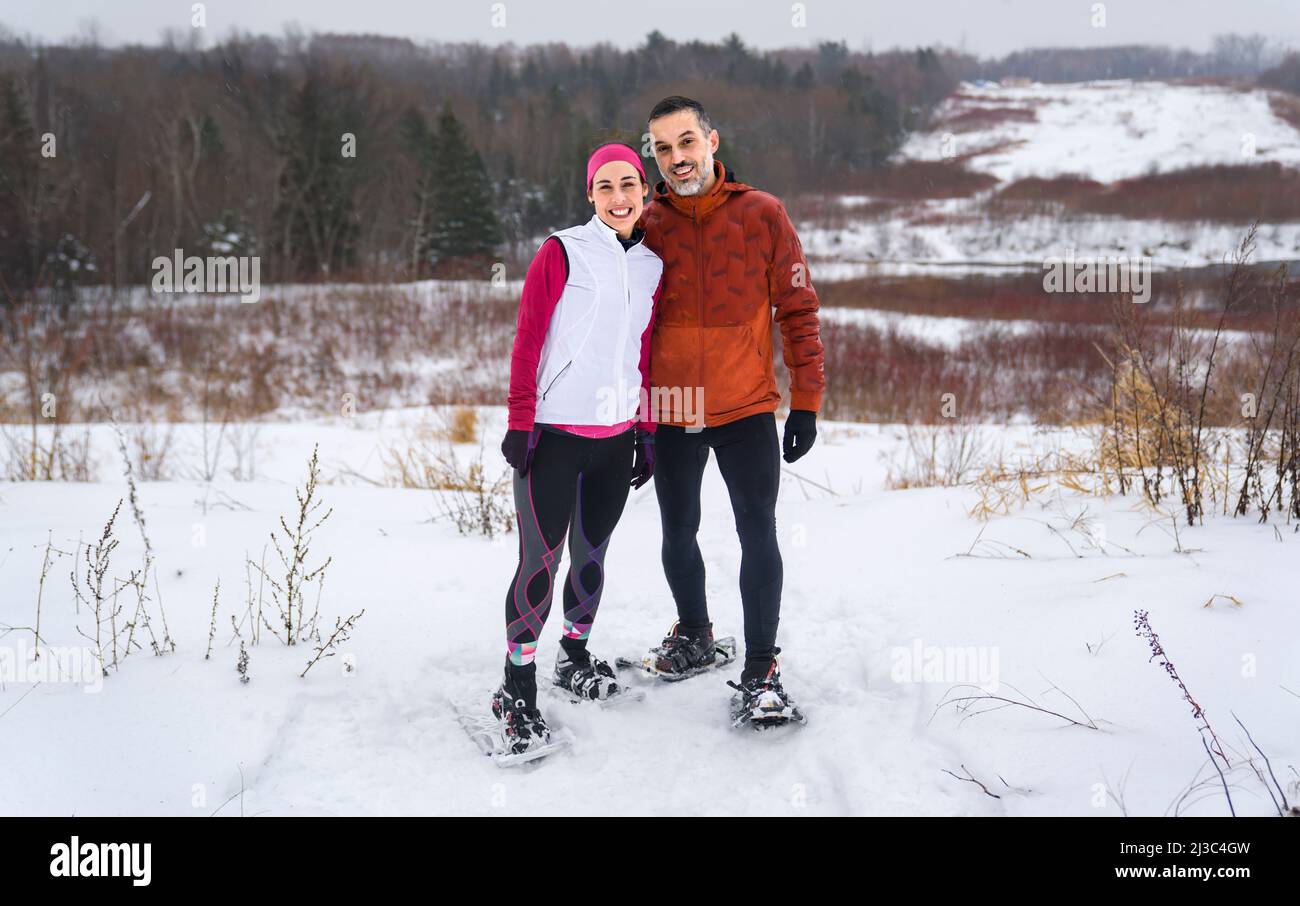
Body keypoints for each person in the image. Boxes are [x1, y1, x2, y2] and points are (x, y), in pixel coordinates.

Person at [638, 96, 825, 727]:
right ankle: (695, 635)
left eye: (686, 142)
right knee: (676, 531)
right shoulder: (643, 222)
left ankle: (760, 671)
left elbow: (798, 310)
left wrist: (807, 402)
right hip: (670, 408)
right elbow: (614, 322)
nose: (676, 159)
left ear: (712, 141)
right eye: (662, 148)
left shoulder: (762, 214)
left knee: (757, 532)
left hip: (745, 405)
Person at [491, 143, 663, 755]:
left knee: (592, 557)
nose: (619, 197)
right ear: (590, 194)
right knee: (541, 563)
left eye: (630, 185)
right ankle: (517, 686)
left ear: (645, 192)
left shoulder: (651, 265)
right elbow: (528, 337)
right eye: (606, 186)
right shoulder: (561, 250)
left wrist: (644, 429)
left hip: (615, 442)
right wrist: (520, 419)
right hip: (556, 438)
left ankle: (573, 655)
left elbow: (639, 352)